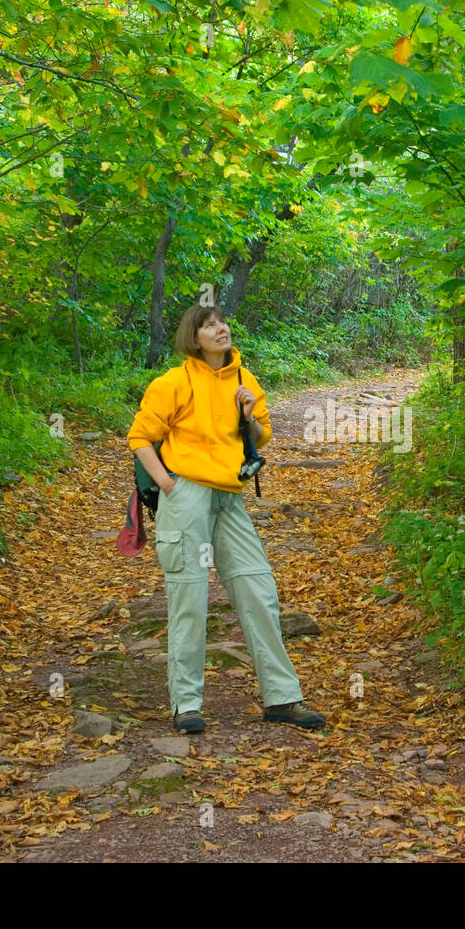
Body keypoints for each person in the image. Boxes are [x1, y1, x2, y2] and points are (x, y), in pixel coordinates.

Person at [127, 302, 325, 735]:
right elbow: (140, 436)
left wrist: (249, 414)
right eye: (209, 324)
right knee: (190, 597)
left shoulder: (244, 379)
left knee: (258, 589)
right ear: (193, 337)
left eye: (222, 322)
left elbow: (261, 437)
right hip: (188, 496)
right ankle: (186, 705)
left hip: (230, 498)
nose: (220, 328)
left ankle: (282, 698)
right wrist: (168, 484)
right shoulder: (174, 382)